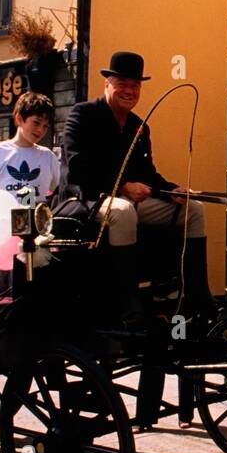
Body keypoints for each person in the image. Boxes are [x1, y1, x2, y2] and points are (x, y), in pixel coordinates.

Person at [62, 50, 214, 320]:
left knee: (195, 210)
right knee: (122, 211)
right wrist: (121, 188)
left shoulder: (139, 126)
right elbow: (78, 167)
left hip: (128, 202)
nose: (129, 91)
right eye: (123, 84)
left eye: (135, 86)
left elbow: (149, 174)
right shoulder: (82, 115)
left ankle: (196, 297)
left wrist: (172, 190)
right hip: (86, 201)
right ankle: (127, 302)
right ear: (107, 84)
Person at [0, 92, 61, 298]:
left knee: (27, 288)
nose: (40, 130)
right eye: (36, 123)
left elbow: (50, 192)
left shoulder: (48, 157)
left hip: (32, 234)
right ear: (19, 118)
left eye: (45, 126)